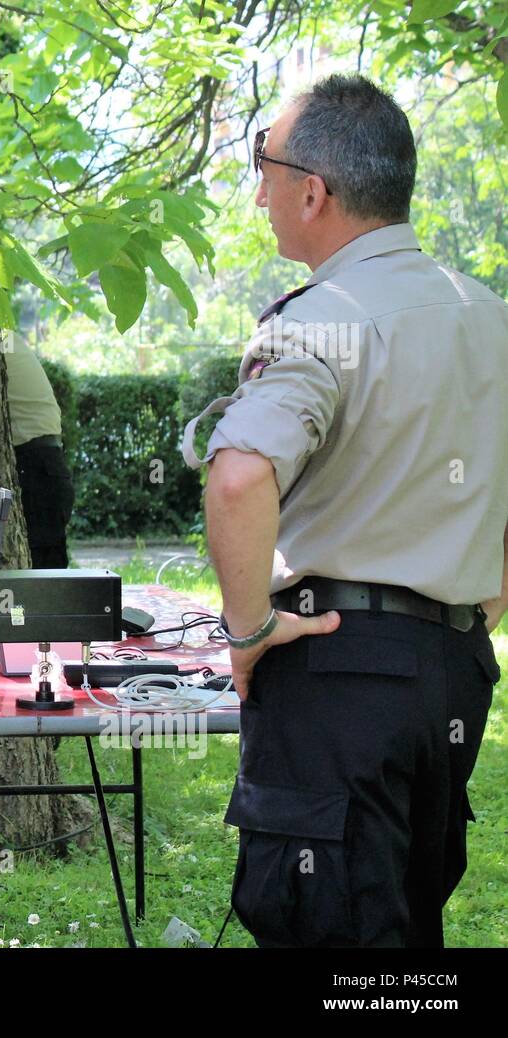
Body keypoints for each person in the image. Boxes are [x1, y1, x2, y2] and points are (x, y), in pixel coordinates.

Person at [182, 73, 508, 948]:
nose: (259, 194)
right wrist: (475, 604)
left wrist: (246, 634)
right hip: (455, 667)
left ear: (313, 191)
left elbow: (241, 478)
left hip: (335, 671)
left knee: (335, 938)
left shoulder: (319, 322)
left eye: (266, 169)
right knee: (403, 930)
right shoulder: (492, 317)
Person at [4, 337, 74, 567]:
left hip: (37, 469)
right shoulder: (6, 337)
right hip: (45, 466)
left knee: (44, 582)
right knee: (45, 579)